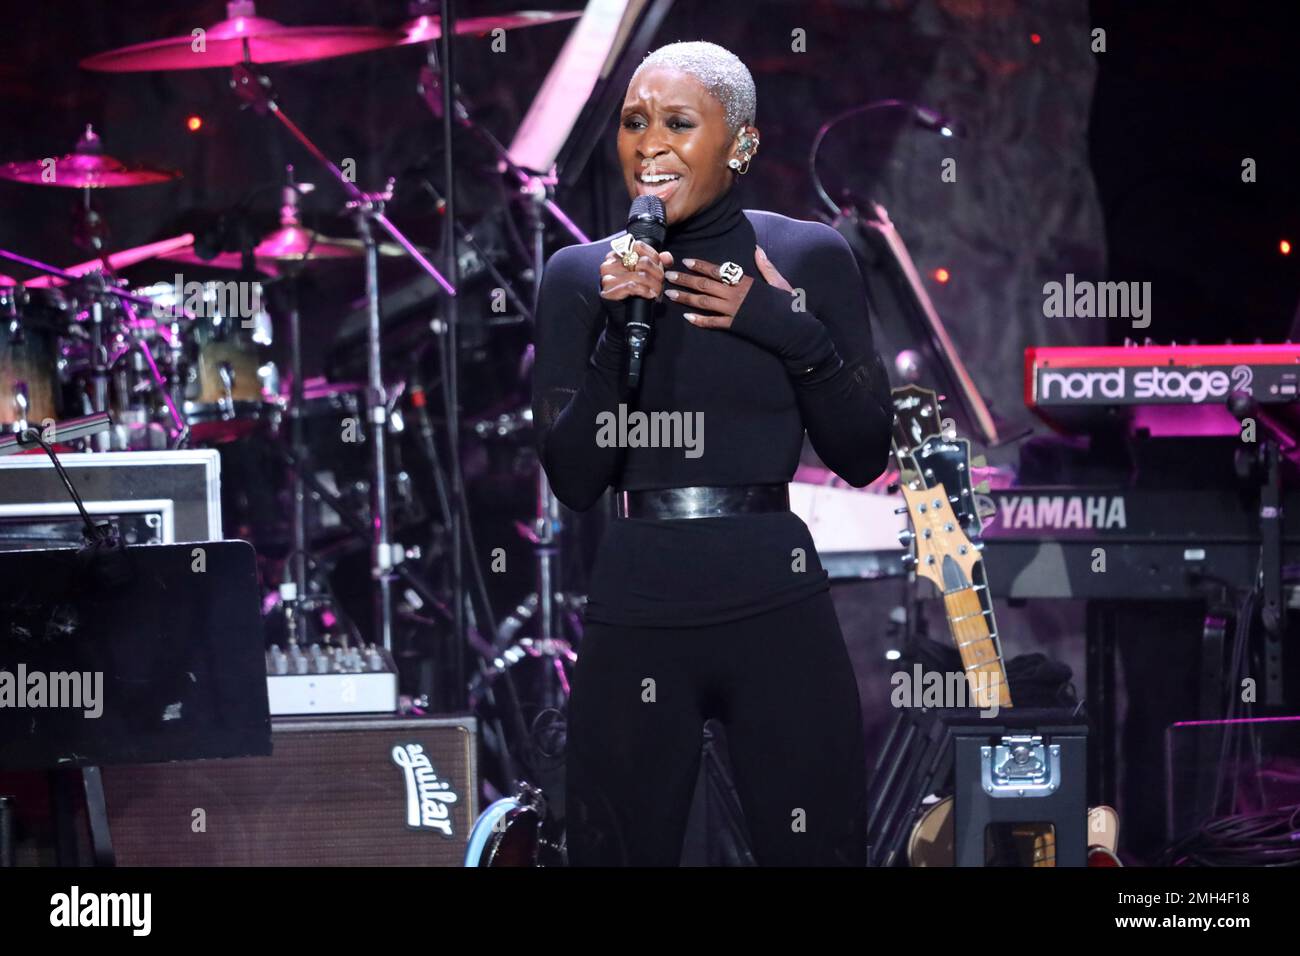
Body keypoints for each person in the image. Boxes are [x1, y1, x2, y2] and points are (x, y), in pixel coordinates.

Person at [532, 40, 894, 866]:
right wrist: (612, 339)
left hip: (774, 594)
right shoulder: (579, 276)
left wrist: (782, 324)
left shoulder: (808, 256)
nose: (648, 143)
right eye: (632, 122)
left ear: (740, 144)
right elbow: (576, 480)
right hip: (640, 594)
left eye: (678, 122)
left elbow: (863, 451)